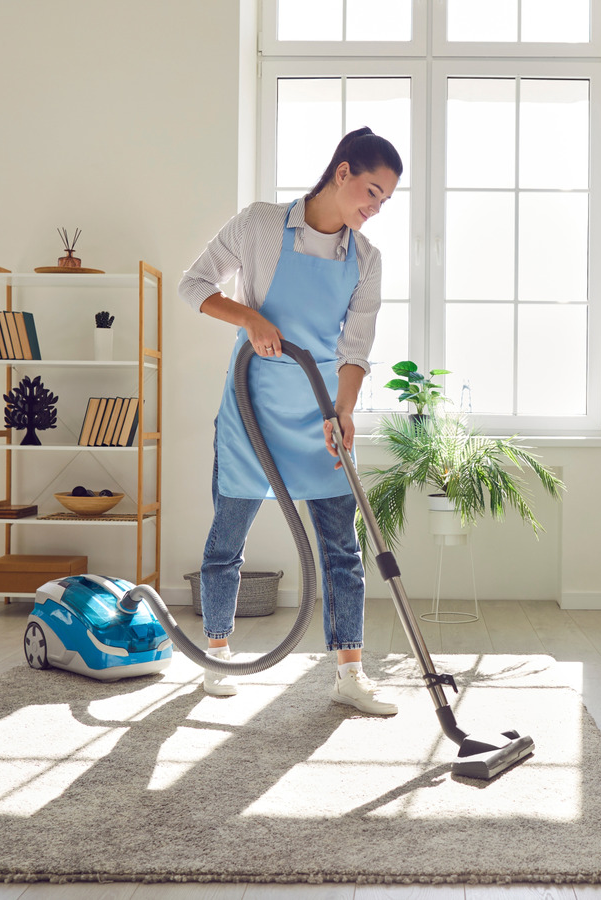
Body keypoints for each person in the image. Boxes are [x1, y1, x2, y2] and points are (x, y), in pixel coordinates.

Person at [177, 126, 402, 713]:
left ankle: (349, 673)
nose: (375, 209)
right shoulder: (259, 225)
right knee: (229, 537)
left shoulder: (367, 261)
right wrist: (249, 318)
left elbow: (355, 349)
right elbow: (193, 284)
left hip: (322, 412)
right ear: (343, 172)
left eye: (385, 201)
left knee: (341, 549)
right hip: (253, 407)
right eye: (372, 192)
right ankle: (218, 653)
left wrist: (344, 413)